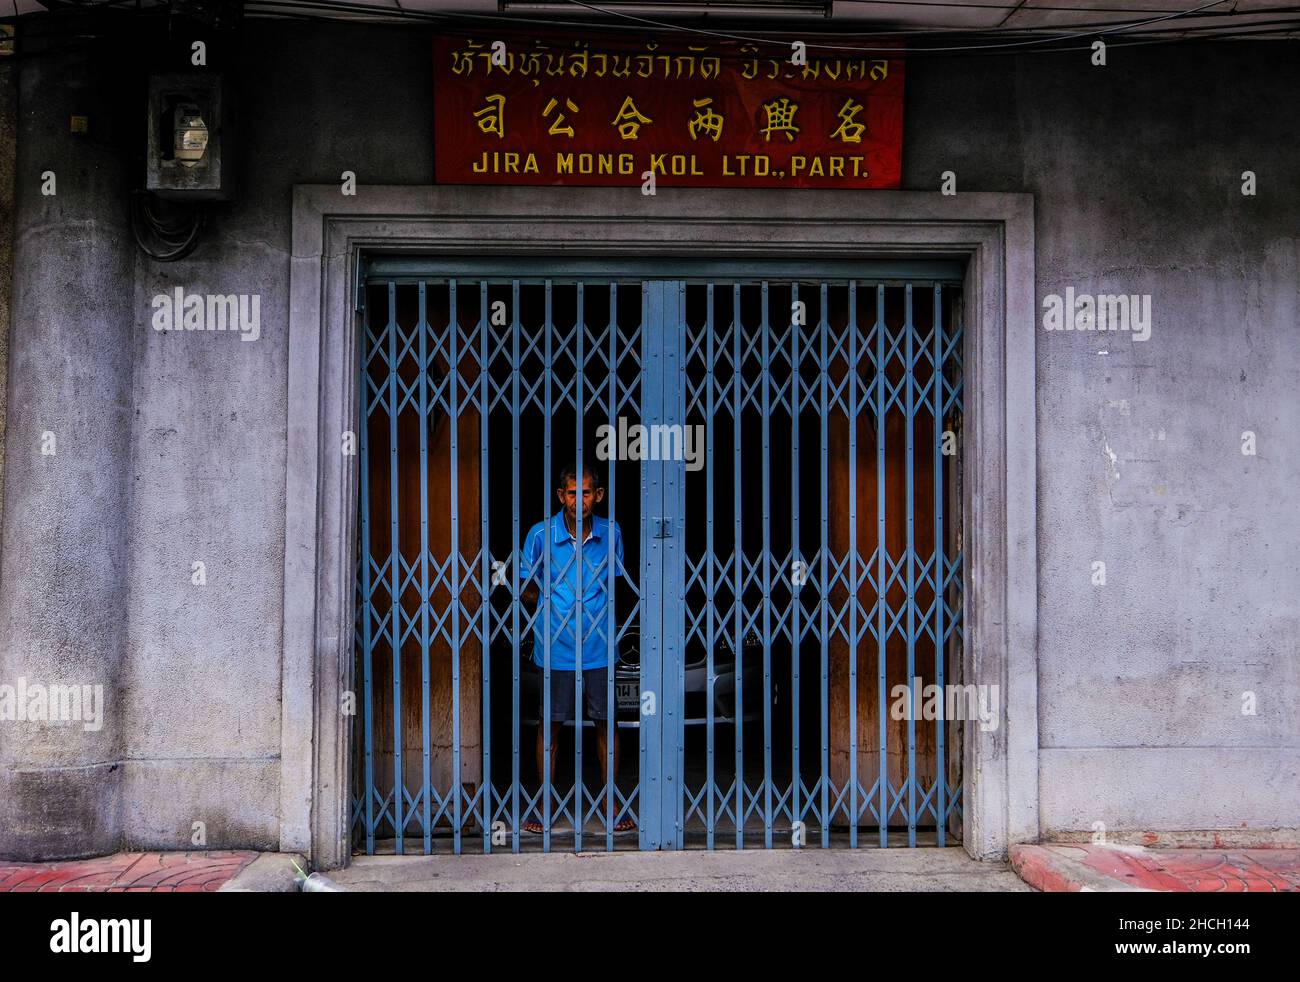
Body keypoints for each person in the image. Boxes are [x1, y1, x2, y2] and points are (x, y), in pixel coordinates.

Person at [519, 463, 633, 834]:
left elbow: (618, 584)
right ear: (560, 496)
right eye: (571, 493)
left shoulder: (611, 533)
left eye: (586, 493)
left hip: (599, 644)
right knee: (549, 725)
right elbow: (526, 587)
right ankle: (546, 798)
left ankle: (610, 798)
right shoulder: (540, 534)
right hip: (555, 645)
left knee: (606, 721)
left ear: (597, 496)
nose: (578, 500)